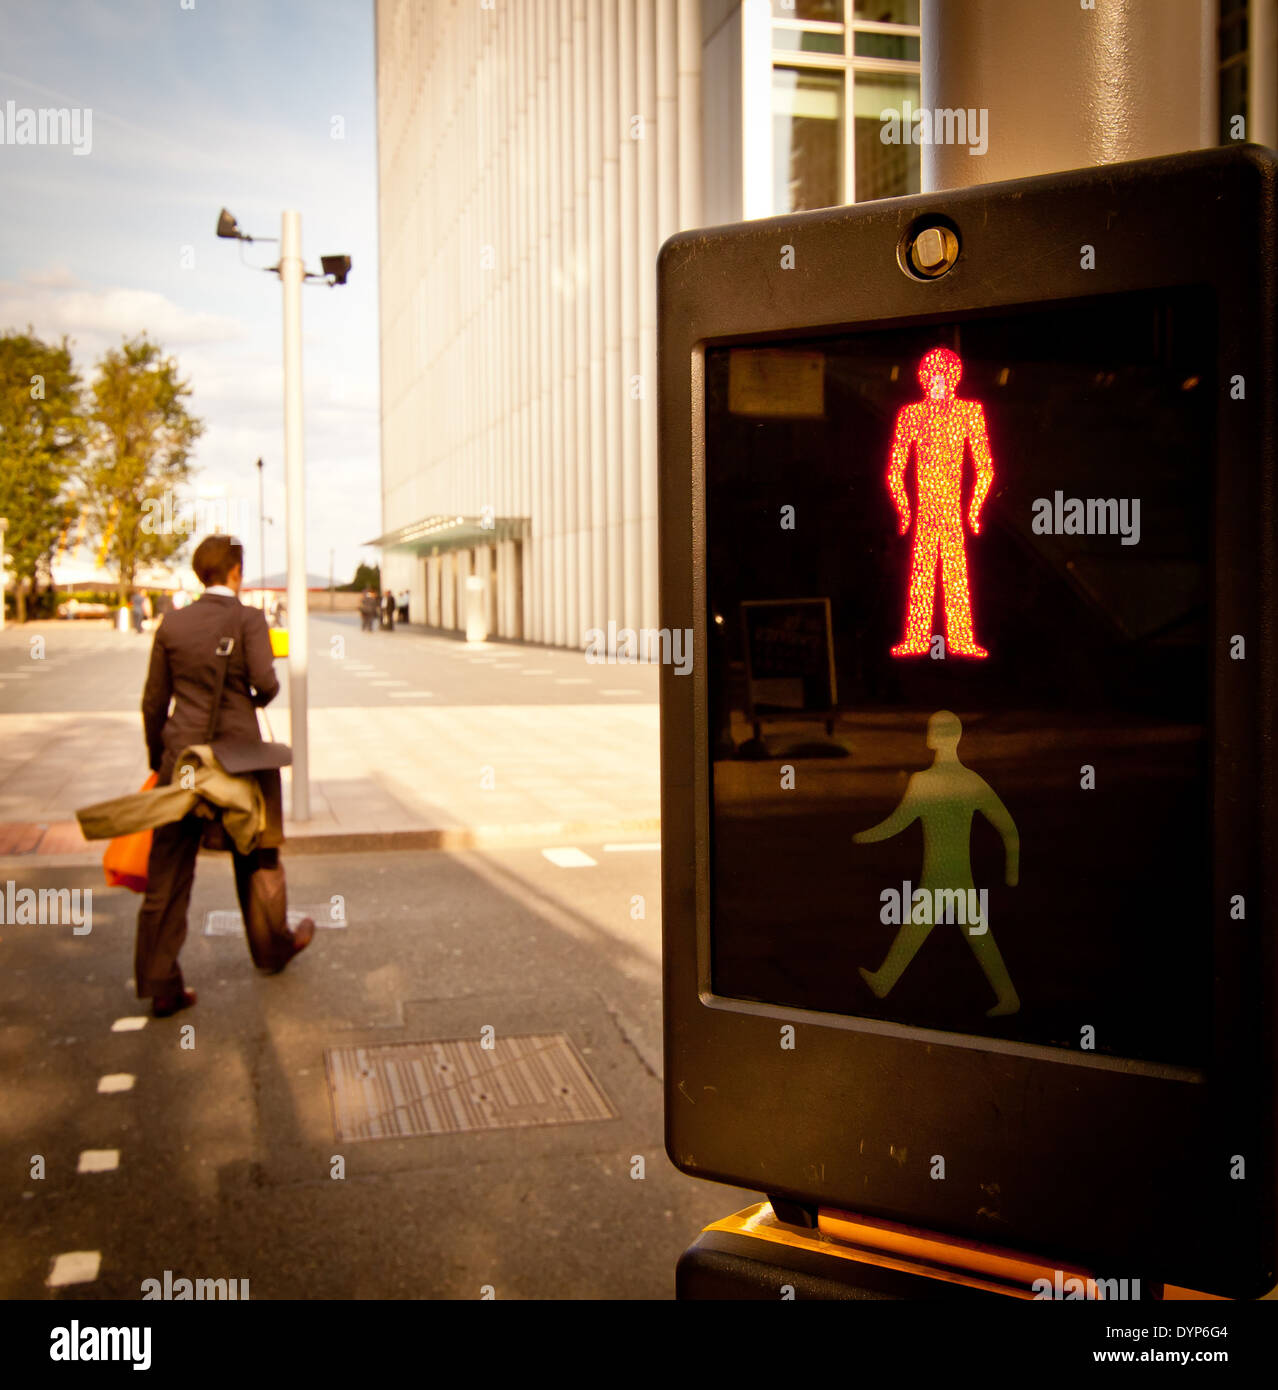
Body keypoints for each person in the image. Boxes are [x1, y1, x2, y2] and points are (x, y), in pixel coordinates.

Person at [135, 534, 314, 1018]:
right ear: (236, 571)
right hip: (239, 761)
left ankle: (160, 982)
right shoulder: (249, 619)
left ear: (200, 574)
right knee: (256, 853)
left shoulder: (172, 623)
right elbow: (266, 681)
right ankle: (270, 950)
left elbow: (154, 702)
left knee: (168, 873)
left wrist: (160, 760)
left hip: (185, 764)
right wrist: (254, 699)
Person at [854, 709, 1020, 1017]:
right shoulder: (970, 781)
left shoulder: (924, 782)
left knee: (963, 933)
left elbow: (896, 823)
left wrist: (864, 837)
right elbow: (1008, 829)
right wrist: (1011, 871)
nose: (929, 733)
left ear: (944, 737)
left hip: (942, 878)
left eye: (934, 729)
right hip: (951, 877)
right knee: (948, 932)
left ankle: (885, 980)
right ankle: (885, 980)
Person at [887, 346, 994, 658]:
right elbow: (896, 468)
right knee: (921, 576)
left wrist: (974, 510)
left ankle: (960, 639)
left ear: (954, 379)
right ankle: (917, 640)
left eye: (943, 379)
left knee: (956, 573)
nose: (937, 386)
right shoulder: (912, 415)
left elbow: (985, 467)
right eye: (931, 379)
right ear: (922, 379)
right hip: (924, 510)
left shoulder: (969, 412)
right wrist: (904, 509)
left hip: (951, 510)